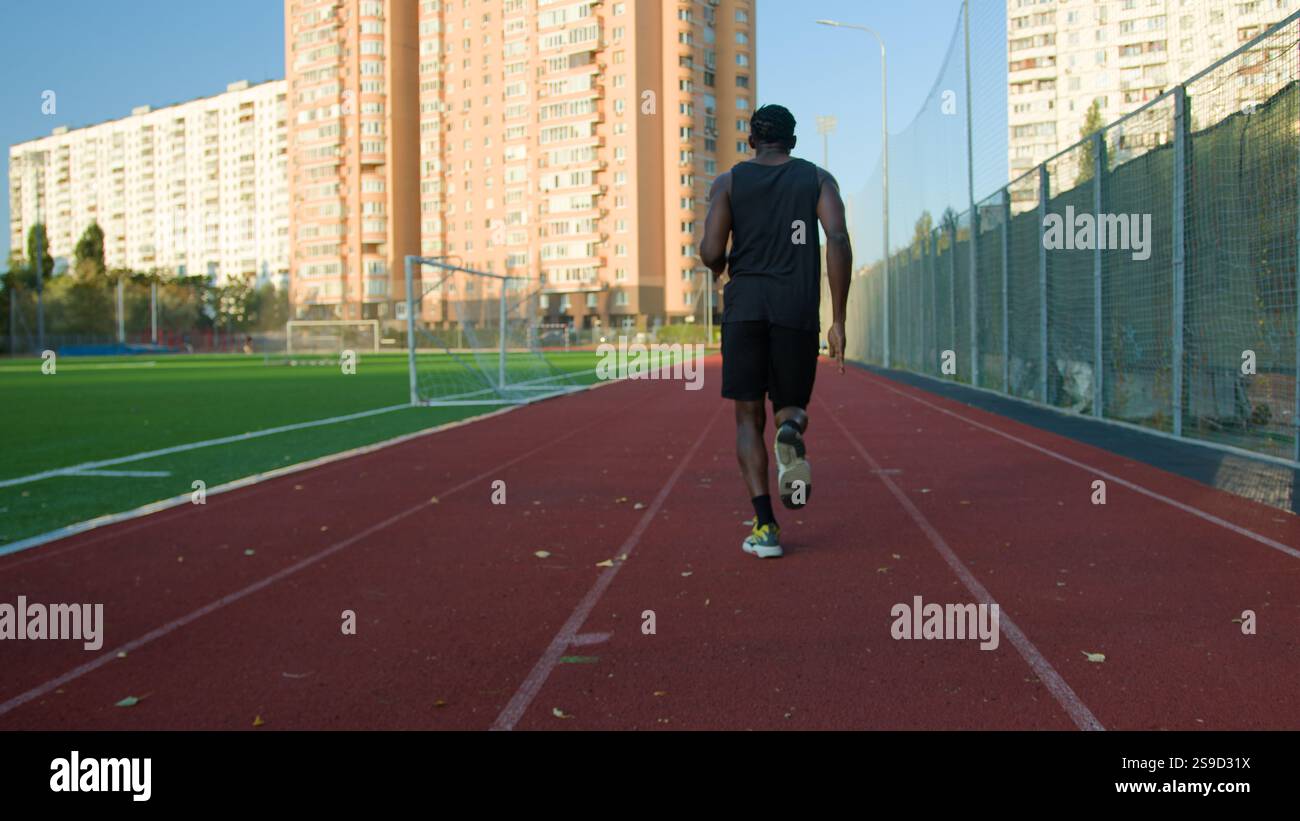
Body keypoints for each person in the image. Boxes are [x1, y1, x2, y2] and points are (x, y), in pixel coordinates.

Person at [699, 104, 852, 559]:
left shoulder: (727, 182)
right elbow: (838, 239)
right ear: (794, 140)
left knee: (747, 418)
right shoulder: (818, 179)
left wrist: (723, 264)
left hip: (744, 309)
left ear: (752, 140)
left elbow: (709, 251)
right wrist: (838, 318)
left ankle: (765, 525)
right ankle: (793, 430)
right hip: (795, 309)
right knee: (791, 406)